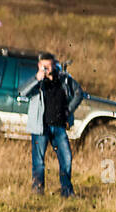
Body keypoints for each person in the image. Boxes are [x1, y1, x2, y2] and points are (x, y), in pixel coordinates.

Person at [19, 52, 83, 197]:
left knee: (66, 159)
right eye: (44, 66)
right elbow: (22, 93)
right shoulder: (37, 82)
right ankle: (37, 191)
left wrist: (68, 110)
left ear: (54, 65)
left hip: (59, 127)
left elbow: (79, 93)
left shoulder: (64, 80)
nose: (47, 69)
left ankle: (67, 192)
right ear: (39, 65)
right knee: (39, 162)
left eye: (49, 66)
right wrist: (37, 79)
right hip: (40, 127)